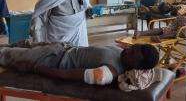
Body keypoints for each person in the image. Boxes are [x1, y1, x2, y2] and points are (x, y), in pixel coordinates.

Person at [0, 41, 159, 87]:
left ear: (137, 66)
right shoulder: (122, 53)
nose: (128, 50)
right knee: (12, 45)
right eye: (132, 47)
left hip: (51, 58)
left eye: (132, 53)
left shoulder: (108, 73)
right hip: (60, 46)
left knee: (6, 55)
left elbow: (66, 75)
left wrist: (32, 67)